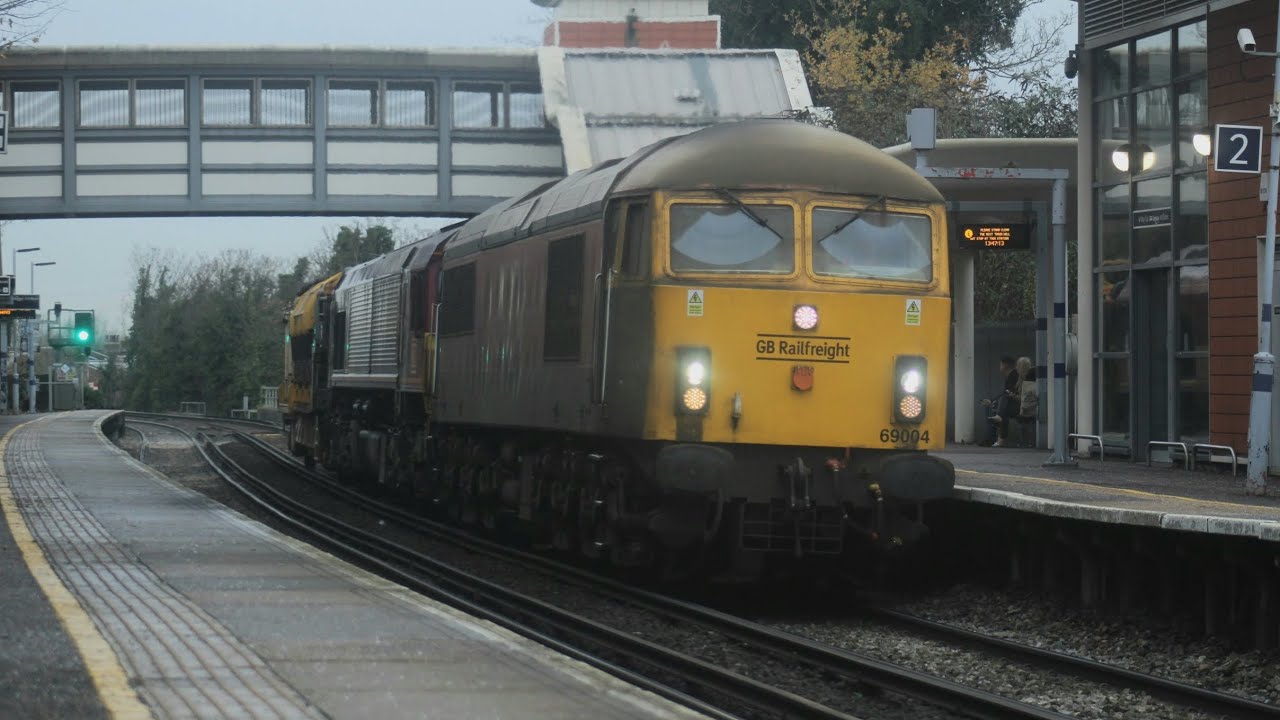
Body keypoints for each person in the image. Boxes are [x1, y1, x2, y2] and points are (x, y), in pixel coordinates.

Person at [981, 355, 1020, 447]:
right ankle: (992, 438)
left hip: (1017, 406)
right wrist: (992, 401)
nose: (1000, 367)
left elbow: (1007, 394)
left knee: (996, 410)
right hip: (1013, 404)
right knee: (994, 407)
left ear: (1005, 365)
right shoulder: (1011, 376)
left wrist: (993, 401)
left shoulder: (1013, 376)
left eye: (1000, 365)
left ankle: (992, 439)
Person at [1011, 356, 1038, 447]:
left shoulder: (1025, 380)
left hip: (1028, 408)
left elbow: (1024, 398)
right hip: (1032, 405)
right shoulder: (1033, 377)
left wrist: (1014, 396)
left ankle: (1024, 442)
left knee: (1022, 421)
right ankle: (1029, 442)